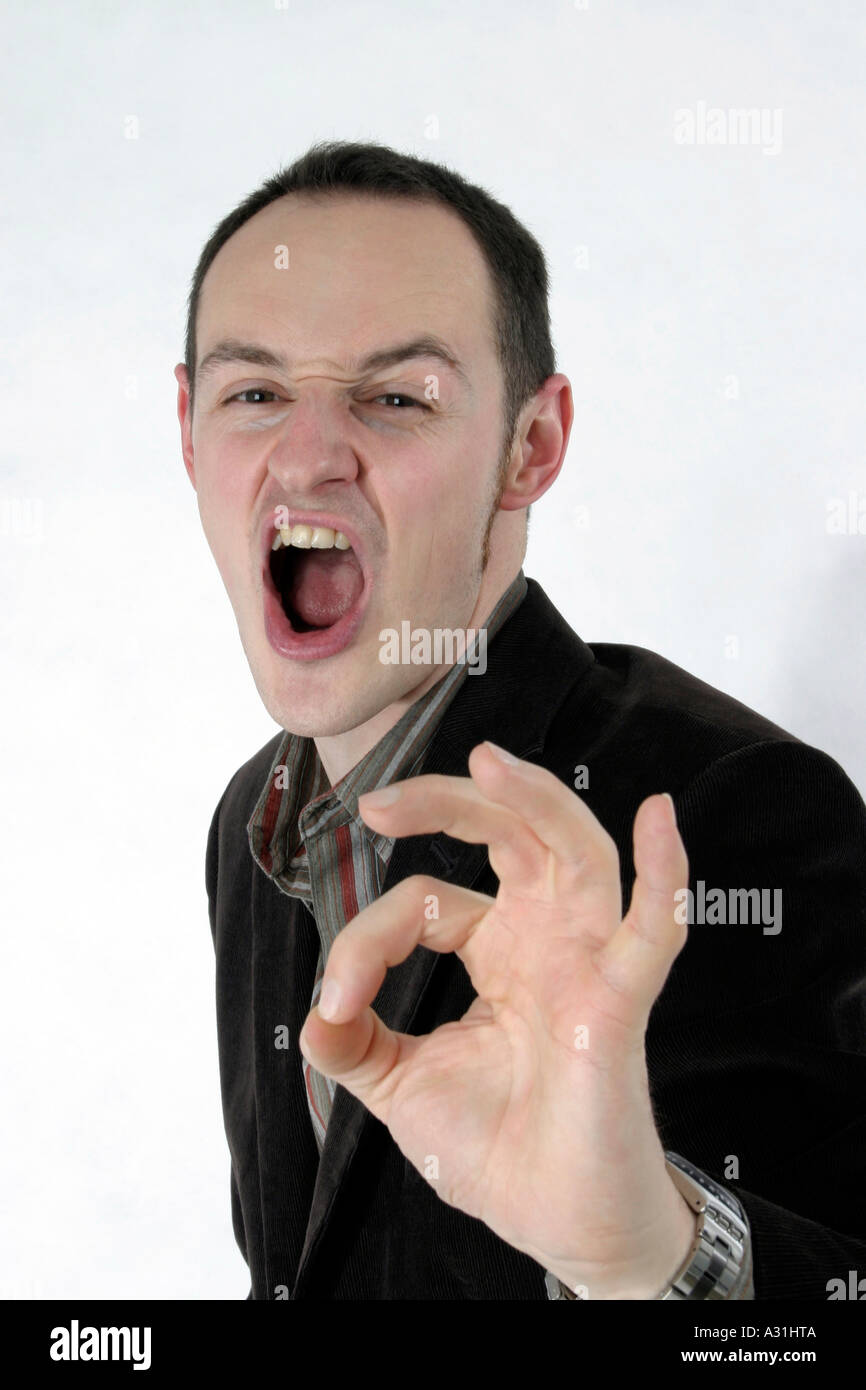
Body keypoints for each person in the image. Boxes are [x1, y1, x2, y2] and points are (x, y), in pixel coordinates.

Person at [175, 140, 866, 1301]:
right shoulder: (253, 819)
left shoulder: (723, 809)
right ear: (187, 428)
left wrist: (648, 1254)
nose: (305, 454)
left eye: (395, 397)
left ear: (530, 447)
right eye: (255, 392)